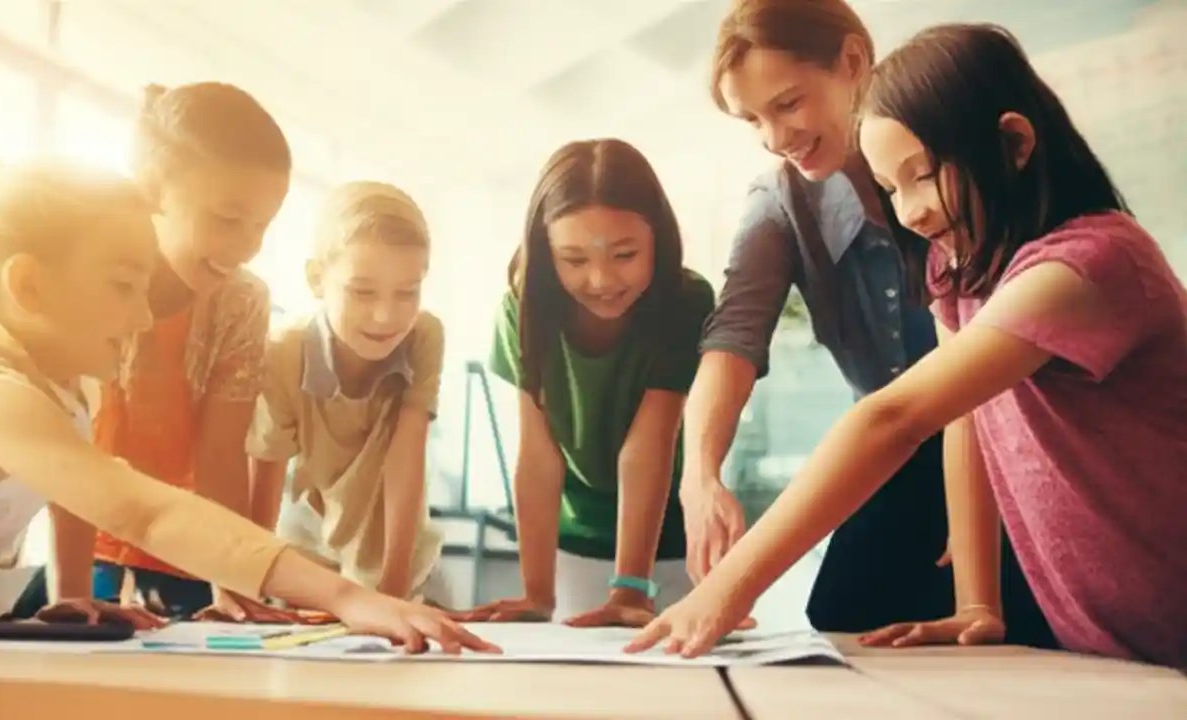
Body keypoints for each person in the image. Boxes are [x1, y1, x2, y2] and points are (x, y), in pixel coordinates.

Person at [628, 23, 1186, 668]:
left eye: (921, 177)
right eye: (892, 189)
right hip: (1107, 640)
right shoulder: (957, 273)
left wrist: (726, 591)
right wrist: (977, 604)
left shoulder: (1086, 266)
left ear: (1013, 143)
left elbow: (893, 418)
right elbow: (963, 420)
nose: (911, 214)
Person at [0, 154, 497, 654]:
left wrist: (70, 600)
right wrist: (348, 595)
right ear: (29, 287)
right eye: (122, 285)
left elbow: (71, 491)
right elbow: (140, 511)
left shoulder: (59, 385)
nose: (142, 316)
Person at [678, 0, 1049, 641]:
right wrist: (700, 474)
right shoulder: (781, 202)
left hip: (1021, 442)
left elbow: (962, 396)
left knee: (1032, 616)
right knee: (845, 614)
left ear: (852, 61)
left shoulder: (964, 167)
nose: (774, 138)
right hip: (891, 460)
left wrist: (733, 582)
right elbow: (732, 339)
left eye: (788, 103)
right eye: (754, 121)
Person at [21, 82, 293, 621]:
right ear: (150, 193)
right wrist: (70, 596)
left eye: (263, 225)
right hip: (87, 543)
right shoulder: (91, 281)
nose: (247, 245)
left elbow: (221, 455)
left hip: (184, 550)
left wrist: (237, 590)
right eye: (227, 218)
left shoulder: (241, 301)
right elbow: (72, 455)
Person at [453, 139, 715, 626]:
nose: (601, 280)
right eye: (574, 260)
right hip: (571, 546)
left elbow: (649, 443)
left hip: (669, 549)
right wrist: (536, 593)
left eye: (624, 254)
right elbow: (537, 454)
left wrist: (632, 587)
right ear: (545, 251)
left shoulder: (687, 299)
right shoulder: (523, 307)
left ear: (657, 238)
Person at [248, 181, 446, 603]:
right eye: (362, 292)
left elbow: (405, 457)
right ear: (317, 279)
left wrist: (393, 588)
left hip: (397, 552)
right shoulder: (284, 352)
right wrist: (250, 582)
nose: (385, 315)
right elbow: (266, 464)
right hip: (304, 539)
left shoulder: (424, 336)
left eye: (407, 292)